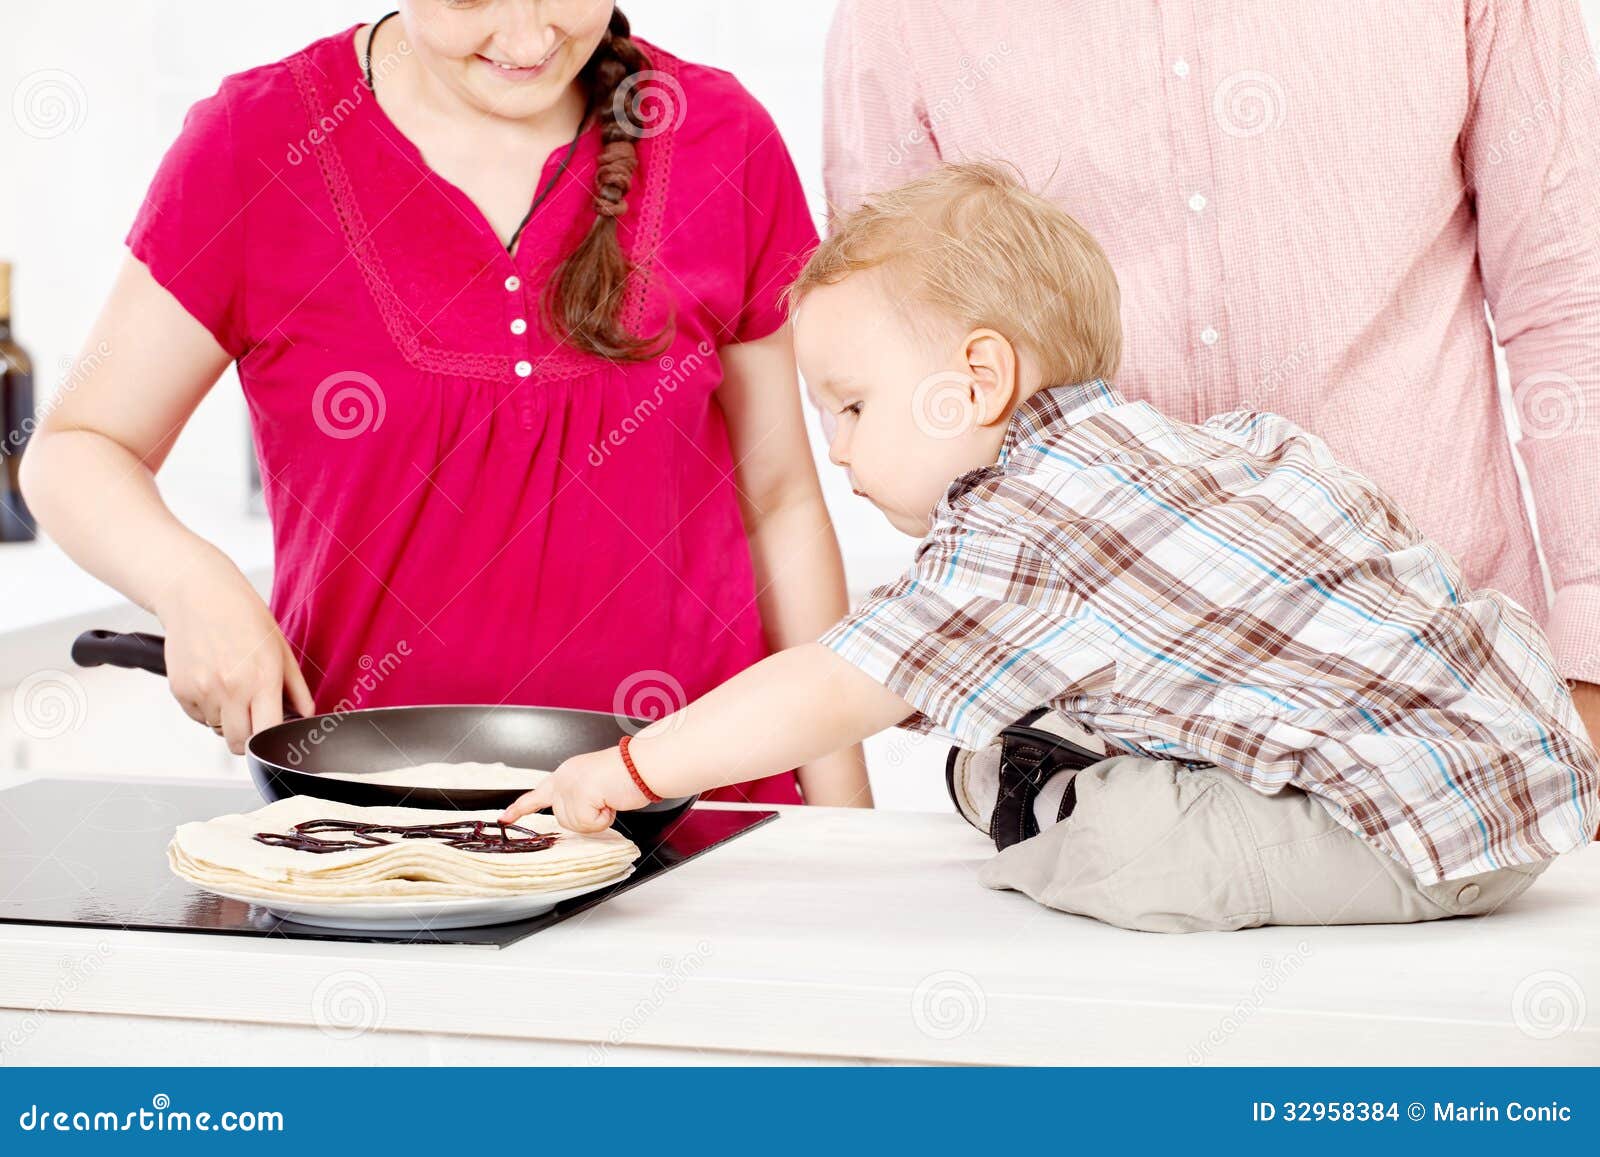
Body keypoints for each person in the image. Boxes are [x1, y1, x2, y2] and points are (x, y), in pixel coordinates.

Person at [501, 164, 1600, 932]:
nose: (835, 451)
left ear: (977, 379)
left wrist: (630, 768)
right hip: (1520, 777)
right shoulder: (1194, 448)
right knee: (1101, 716)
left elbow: (832, 684)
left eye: (849, 406)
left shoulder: (1019, 527)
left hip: (1407, 844)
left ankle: (1036, 790)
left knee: (1124, 846)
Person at [21, 4, 870, 807]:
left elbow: (781, 503)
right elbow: (77, 446)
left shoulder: (719, 133)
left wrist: (844, 825)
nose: (530, 36)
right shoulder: (258, 142)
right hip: (377, 828)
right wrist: (193, 586)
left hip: (704, 821)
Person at [822, 0, 1600, 747]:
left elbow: (1572, 296)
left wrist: (1590, 662)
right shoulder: (903, 14)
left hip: (1448, 707)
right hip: (1096, 736)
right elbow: (888, 345)